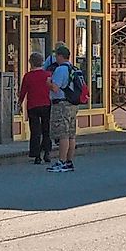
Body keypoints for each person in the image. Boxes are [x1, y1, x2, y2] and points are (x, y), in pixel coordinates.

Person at [47, 44, 79, 173]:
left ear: (60, 56)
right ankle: (69, 161)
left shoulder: (61, 70)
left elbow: (55, 87)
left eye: (56, 56)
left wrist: (48, 82)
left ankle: (61, 161)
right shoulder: (73, 68)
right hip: (72, 105)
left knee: (63, 134)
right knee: (71, 134)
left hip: (61, 105)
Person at [19, 52, 53, 164]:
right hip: (46, 104)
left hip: (33, 105)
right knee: (46, 129)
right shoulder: (47, 75)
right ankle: (47, 152)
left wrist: (19, 103)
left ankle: (36, 155)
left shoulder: (28, 76)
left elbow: (23, 91)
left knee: (35, 131)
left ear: (30, 63)